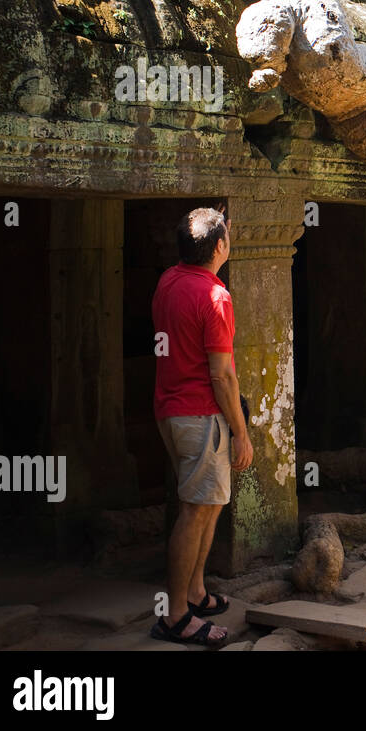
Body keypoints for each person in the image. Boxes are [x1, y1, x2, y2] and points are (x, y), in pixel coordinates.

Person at [149, 207, 253, 646]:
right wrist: (241, 433)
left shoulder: (168, 281)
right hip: (200, 415)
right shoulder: (215, 297)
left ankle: (194, 591)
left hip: (170, 410)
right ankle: (174, 616)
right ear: (220, 246)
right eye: (226, 233)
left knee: (205, 505)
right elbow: (222, 375)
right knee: (195, 512)